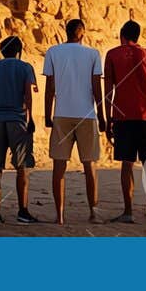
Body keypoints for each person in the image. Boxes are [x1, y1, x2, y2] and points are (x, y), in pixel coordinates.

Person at [42, 17, 105, 224]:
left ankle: (60, 215)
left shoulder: (53, 52)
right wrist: (102, 115)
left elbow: (50, 87)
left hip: (62, 114)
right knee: (90, 165)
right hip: (87, 114)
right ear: (82, 33)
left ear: (66, 32)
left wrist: (48, 115)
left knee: (59, 166)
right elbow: (97, 88)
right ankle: (93, 212)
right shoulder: (93, 54)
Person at [104, 19, 146, 222]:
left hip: (124, 116)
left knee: (127, 164)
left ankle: (128, 212)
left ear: (122, 35)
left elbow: (108, 90)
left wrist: (108, 118)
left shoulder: (112, 55)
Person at [0, 35, 40, 224]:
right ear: (19, 51)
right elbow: (28, 94)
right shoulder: (25, 67)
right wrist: (30, 118)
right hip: (17, 120)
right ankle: (23, 211)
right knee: (22, 167)